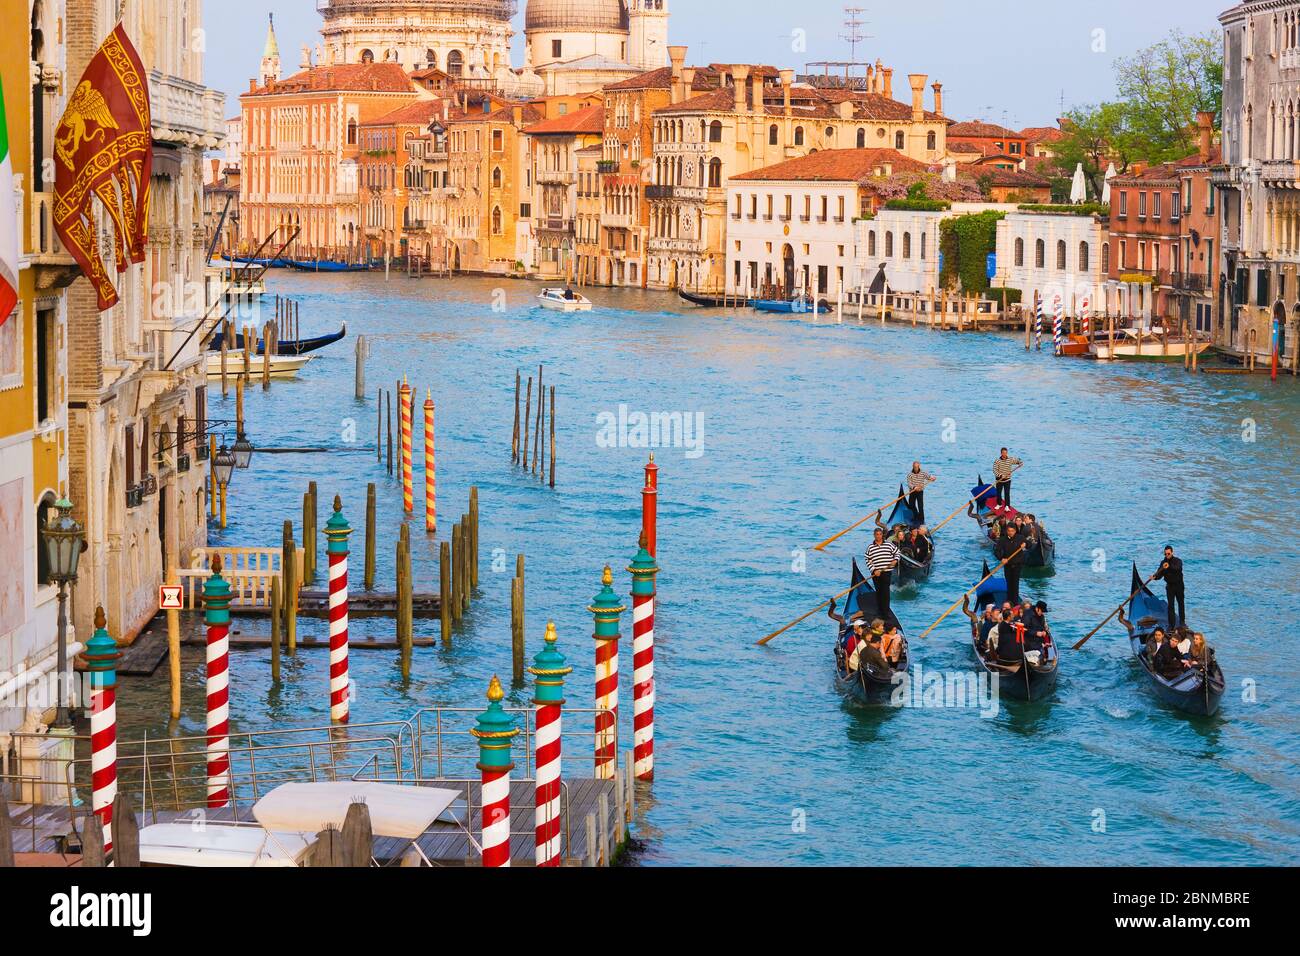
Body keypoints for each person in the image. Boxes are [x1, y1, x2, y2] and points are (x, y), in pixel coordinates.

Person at [865, 528, 901, 621]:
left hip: (886, 572)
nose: (878, 536)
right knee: (879, 592)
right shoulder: (870, 547)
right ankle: (880, 612)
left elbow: (897, 552)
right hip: (876, 573)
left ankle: (885, 613)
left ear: (882, 535)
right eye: (876, 534)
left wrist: (895, 560)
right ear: (874, 535)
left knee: (885, 592)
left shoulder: (889, 545)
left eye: (880, 534)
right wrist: (874, 569)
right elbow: (868, 559)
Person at [1153, 545, 1186, 629]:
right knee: (1170, 606)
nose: (1167, 555)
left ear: (1172, 552)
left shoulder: (1178, 561)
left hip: (1179, 585)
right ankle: (1171, 625)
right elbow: (1159, 574)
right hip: (1170, 587)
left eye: (1168, 554)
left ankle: (1182, 622)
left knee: (1180, 603)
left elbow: (1178, 569)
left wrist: (1169, 567)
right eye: (1165, 554)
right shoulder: (1163, 563)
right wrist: (1155, 577)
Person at [995, 523, 1025, 605]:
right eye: (1009, 531)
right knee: (1008, 583)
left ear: (1015, 531)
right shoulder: (1002, 539)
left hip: (1018, 565)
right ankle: (1009, 600)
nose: (1010, 532)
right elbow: (997, 551)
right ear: (1007, 531)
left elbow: (1029, 544)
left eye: (1012, 531)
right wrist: (1001, 558)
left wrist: (1025, 545)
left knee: (1015, 584)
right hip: (1007, 565)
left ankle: (1015, 603)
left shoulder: (1020, 538)